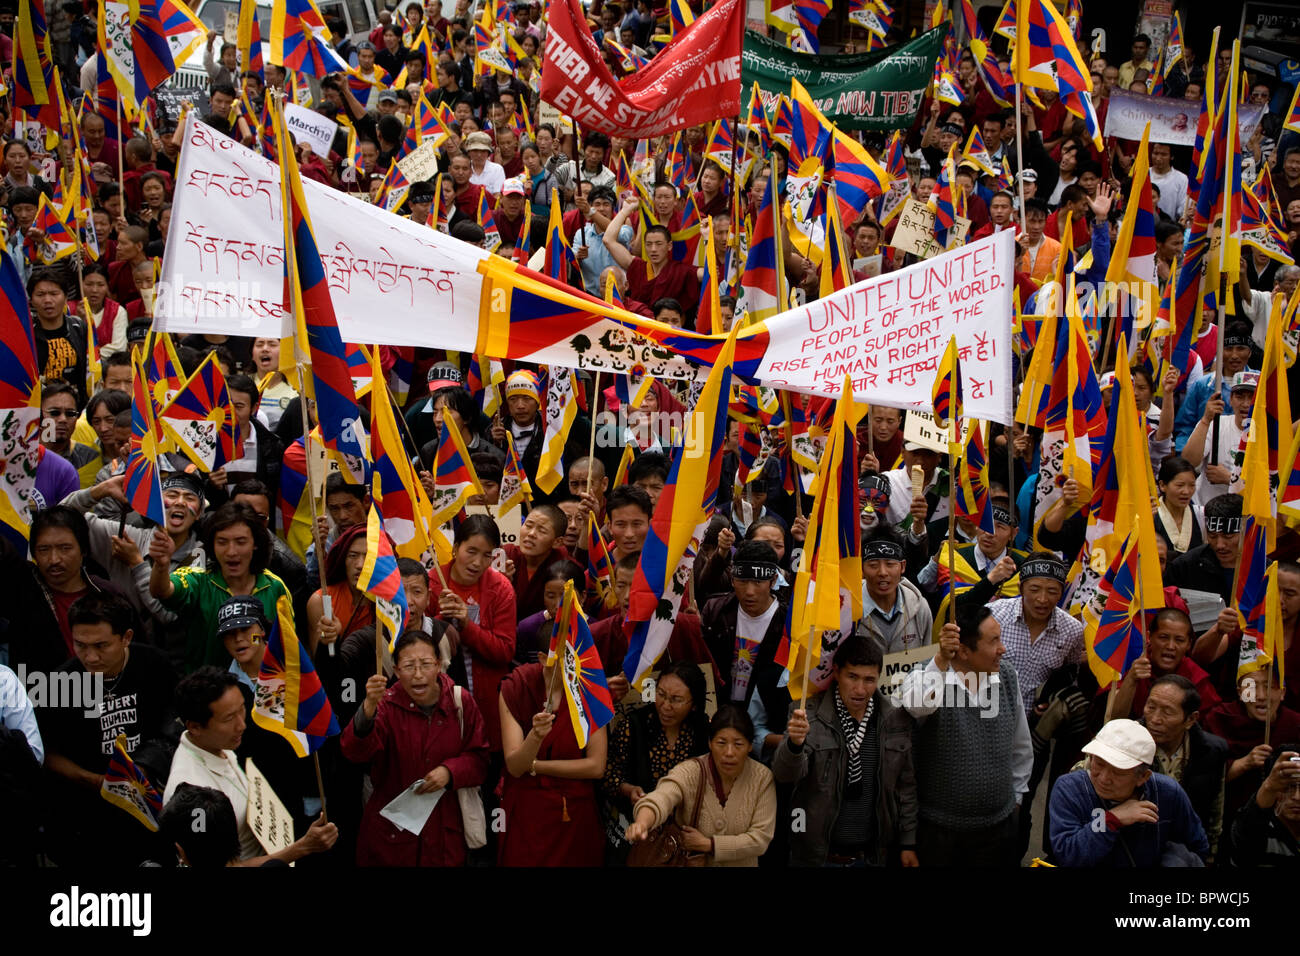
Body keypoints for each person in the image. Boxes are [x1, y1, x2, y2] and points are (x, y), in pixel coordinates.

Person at [36, 593, 178, 865]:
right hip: (88, 813)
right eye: (80, 645)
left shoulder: (155, 665)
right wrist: (93, 780)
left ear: (126, 637)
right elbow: (46, 751)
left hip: (150, 799)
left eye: (101, 646)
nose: (90, 657)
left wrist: (145, 766)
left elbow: (174, 721)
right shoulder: (58, 684)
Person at [341, 629, 491, 866]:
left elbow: (481, 761)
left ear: (439, 664)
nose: (418, 674)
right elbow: (355, 752)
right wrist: (368, 708)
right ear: (397, 670)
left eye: (426, 664)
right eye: (409, 666)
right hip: (392, 835)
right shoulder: (385, 706)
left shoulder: (460, 701)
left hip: (445, 833)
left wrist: (450, 772)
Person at [897, 606, 1032, 866]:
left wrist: (1016, 799)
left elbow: (1021, 746)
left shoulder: (1006, 676)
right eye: (994, 641)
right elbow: (915, 705)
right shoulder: (925, 674)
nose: (1002, 649)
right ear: (964, 650)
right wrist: (939, 661)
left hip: (997, 829)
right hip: (939, 833)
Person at [165, 667, 338, 864]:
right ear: (195, 727)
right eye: (229, 718)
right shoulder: (191, 792)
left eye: (242, 709)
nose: (242, 725)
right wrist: (302, 848)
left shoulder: (220, 744)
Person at [774, 635, 918, 867]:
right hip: (818, 856)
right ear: (837, 673)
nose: (860, 689)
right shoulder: (807, 716)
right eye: (853, 677)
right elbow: (785, 775)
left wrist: (908, 843)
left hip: (872, 855)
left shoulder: (893, 719)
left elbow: (905, 786)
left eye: (869, 680)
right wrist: (794, 745)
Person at [625, 706, 777, 867]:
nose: (729, 752)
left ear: (750, 745)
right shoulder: (691, 772)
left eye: (738, 744)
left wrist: (709, 844)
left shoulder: (762, 778)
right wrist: (642, 823)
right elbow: (662, 797)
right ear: (710, 743)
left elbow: (760, 839)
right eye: (721, 743)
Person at [149, 502, 293, 672]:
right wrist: (161, 565)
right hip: (206, 691)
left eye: (240, 542)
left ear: (255, 543)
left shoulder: (275, 587)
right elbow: (163, 591)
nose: (231, 552)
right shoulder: (198, 579)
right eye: (222, 542)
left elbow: (288, 647)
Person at [1048, 718, 1210, 866]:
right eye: (1098, 764)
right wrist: (1110, 820)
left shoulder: (1168, 792)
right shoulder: (1070, 788)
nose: (1104, 778)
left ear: (1143, 776)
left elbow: (1198, 846)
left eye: (1118, 772)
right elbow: (1068, 854)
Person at [498, 655, 607, 866]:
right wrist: (535, 737)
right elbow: (515, 766)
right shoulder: (517, 686)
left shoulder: (589, 687)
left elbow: (596, 767)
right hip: (529, 812)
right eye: (565, 656)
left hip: (575, 812)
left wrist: (536, 766)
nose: (574, 663)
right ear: (543, 657)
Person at [430, 514, 516, 752]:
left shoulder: (501, 588)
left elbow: (505, 651)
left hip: (486, 701)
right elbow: (416, 642)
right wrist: (440, 621)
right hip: (439, 699)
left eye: (487, 555)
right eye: (472, 551)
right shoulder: (432, 582)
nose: (478, 562)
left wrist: (467, 624)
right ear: (456, 548)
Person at [601, 660, 710, 840]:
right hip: (638, 830)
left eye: (676, 700)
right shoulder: (634, 725)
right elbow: (608, 773)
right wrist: (627, 789)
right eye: (661, 694)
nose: (666, 705)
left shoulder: (703, 731)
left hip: (687, 832)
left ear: (694, 704)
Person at [1139, 674, 1230, 858]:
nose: (1155, 719)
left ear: (1190, 719)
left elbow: (1215, 811)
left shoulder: (1212, 751)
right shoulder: (1126, 742)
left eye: (1167, 712)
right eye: (1151, 707)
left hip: (1187, 849)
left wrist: (1210, 856)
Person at [1107, 608, 1220, 720]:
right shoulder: (1130, 665)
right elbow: (1112, 721)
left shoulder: (1195, 677)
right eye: (1163, 637)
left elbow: (1209, 724)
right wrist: (1131, 679)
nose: (1170, 646)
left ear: (1189, 644)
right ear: (1149, 637)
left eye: (1179, 640)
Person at [855, 534, 933, 655]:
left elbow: (926, 658)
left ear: (902, 566)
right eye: (873, 565)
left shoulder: (919, 607)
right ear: (861, 569)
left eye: (890, 564)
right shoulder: (846, 610)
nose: (882, 572)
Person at [305, 524, 374, 656]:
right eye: (353, 556)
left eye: (369, 556)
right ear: (343, 560)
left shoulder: (390, 600)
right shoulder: (321, 601)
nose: (360, 565)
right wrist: (329, 639)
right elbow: (319, 665)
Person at [1227, 745, 1300, 866]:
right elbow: (1244, 842)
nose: (1297, 797)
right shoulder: (1256, 827)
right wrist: (1269, 786)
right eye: (1288, 787)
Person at [1154, 457, 1204, 557]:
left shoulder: (1201, 515)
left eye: (1192, 485)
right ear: (1162, 485)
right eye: (1179, 485)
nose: (1186, 491)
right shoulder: (1152, 515)